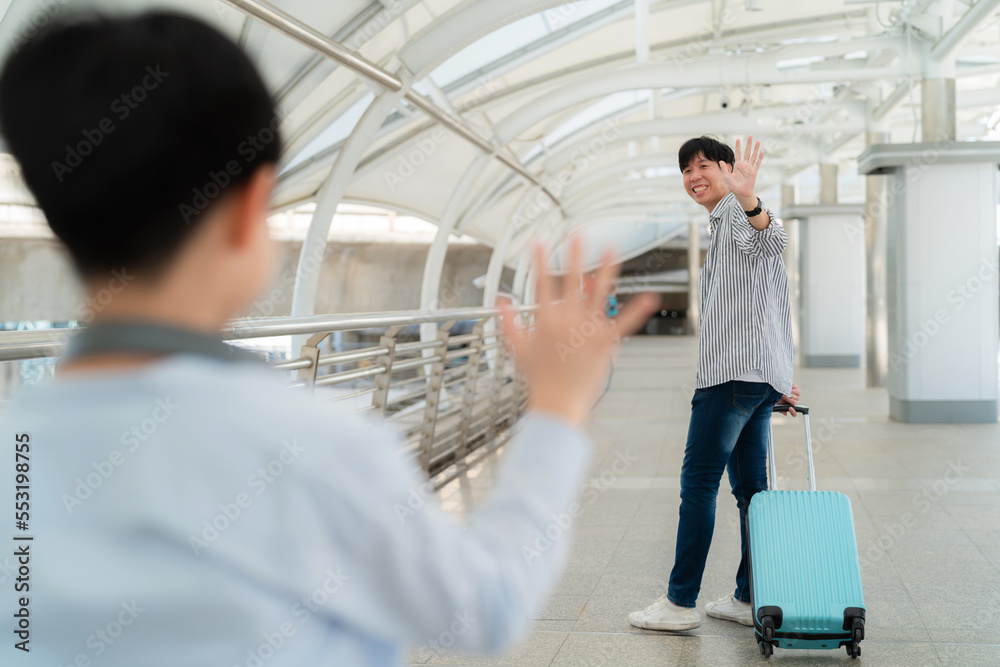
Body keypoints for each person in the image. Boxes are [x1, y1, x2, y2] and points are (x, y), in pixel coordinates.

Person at [0, 12, 659, 666]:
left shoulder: (17, 450)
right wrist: (557, 409)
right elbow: (485, 604)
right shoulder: (311, 444)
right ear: (248, 207)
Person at [628, 136, 800, 631]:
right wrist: (779, 378)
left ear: (729, 170)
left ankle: (679, 604)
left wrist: (749, 199)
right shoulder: (721, 222)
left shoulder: (732, 213)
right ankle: (748, 598)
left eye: (704, 165)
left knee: (698, 486)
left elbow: (771, 238)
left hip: (728, 380)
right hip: (757, 378)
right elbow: (768, 296)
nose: (693, 176)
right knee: (753, 493)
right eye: (685, 170)